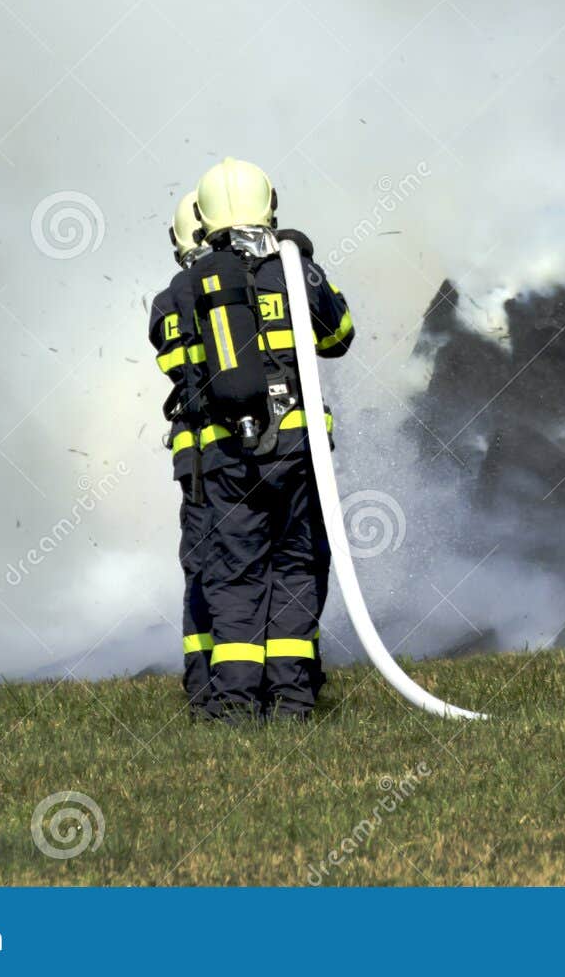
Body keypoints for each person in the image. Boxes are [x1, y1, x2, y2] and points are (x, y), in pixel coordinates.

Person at [187, 158, 355, 722]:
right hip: (298, 455)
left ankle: (233, 705)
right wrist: (302, 263)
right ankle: (293, 702)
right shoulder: (296, 270)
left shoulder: (188, 284)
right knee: (297, 566)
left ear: (203, 215)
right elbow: (340, 336)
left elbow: (184, 376)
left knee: (235, 576)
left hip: (228, 458)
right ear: (269, 203)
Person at [147, 190, 233, 718]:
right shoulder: (253, 285)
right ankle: (262, 689)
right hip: (236, 455)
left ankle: (207, 691)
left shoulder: (168, 300)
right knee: (249, 567)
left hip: (197, 462)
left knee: (205, 570)